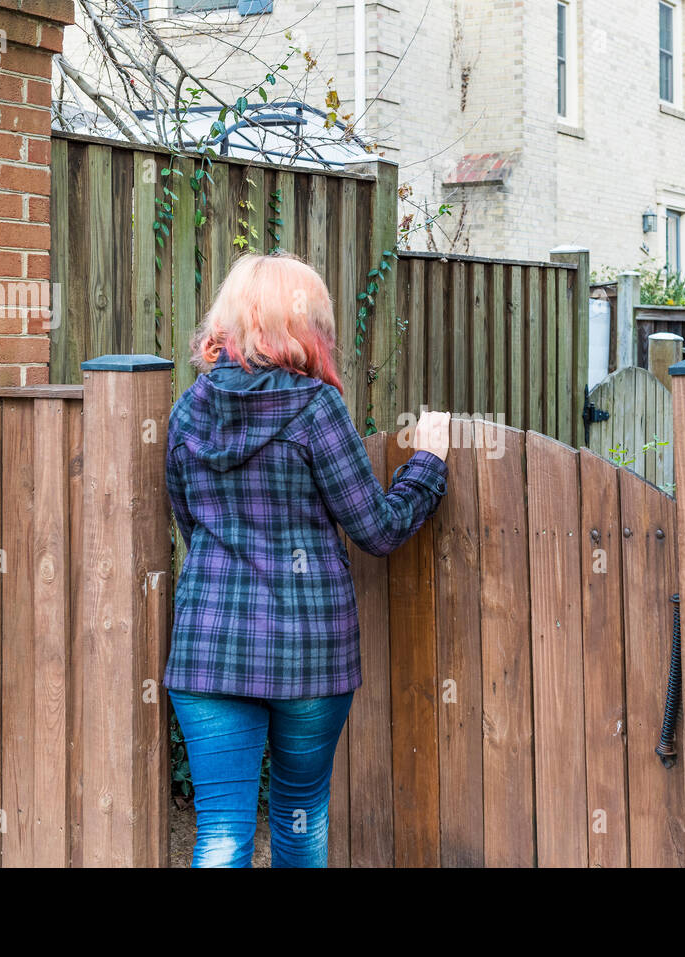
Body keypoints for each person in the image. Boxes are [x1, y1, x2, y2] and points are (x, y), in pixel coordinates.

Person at [164, 252, 451, 867]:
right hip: (307, 651)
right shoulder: (316, 409)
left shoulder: (188, 411)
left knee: (219, 830)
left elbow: (190, 524)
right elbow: (376, 528)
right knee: (299, 812)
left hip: (208, 647)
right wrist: (426, 463)